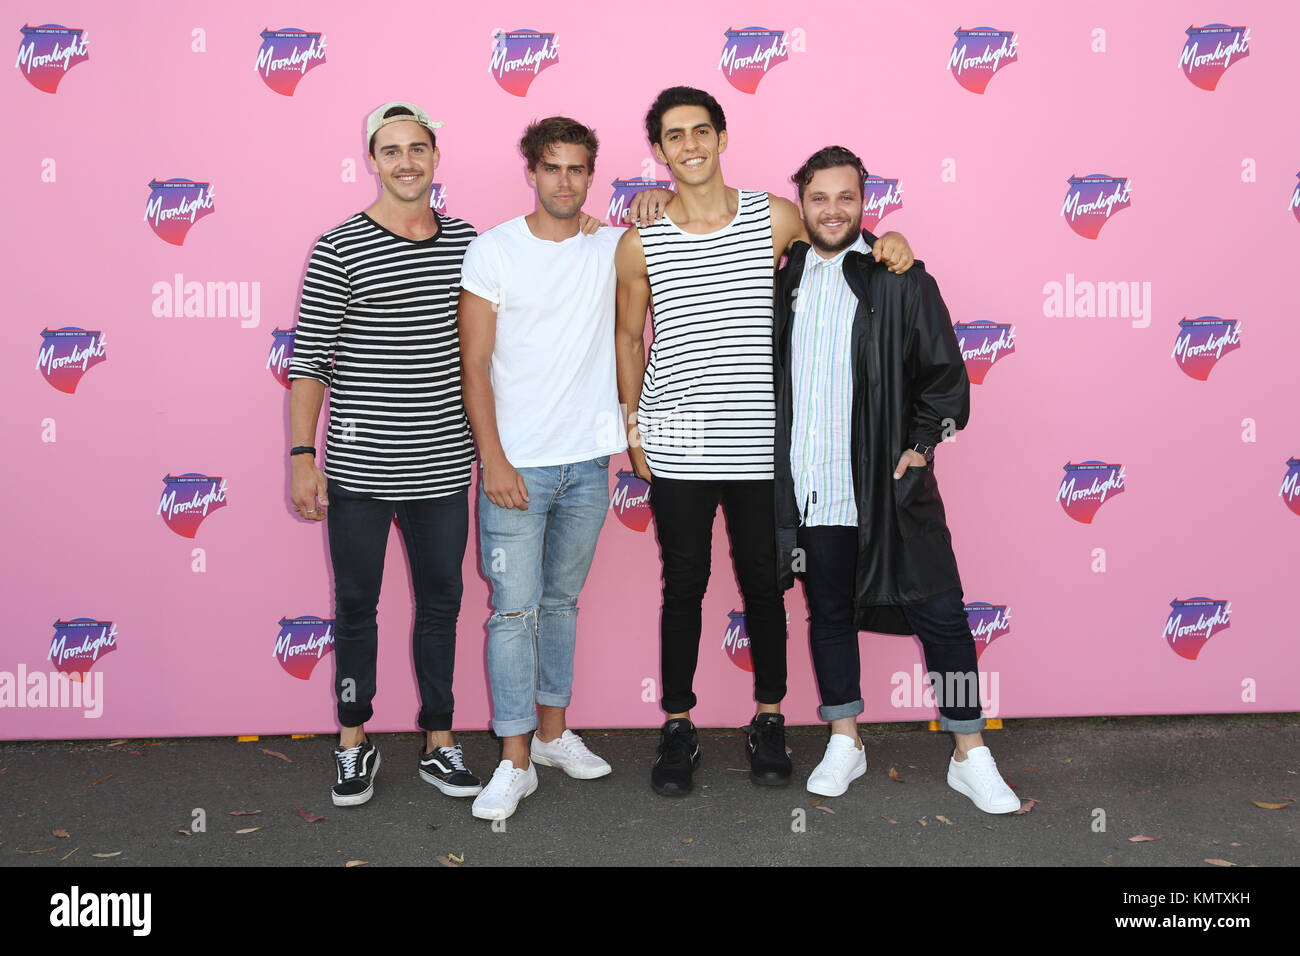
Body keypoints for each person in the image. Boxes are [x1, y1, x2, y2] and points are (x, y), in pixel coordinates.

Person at [614, 87, 914, 797]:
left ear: (721, 137)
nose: (688, 146)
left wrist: (887, 242)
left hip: (761, 444)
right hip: (679, 441)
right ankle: (679, 724)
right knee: (683, 584)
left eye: (700, 132)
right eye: (673, 137)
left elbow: (839, 245)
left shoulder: (773, 216)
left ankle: (769, 718)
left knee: (765, 586)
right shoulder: (639, 239)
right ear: (658, 151)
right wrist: (631, 427)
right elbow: (629, 337)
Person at [773, 145, 1019, 813]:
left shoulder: (900, 278)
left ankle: (971, 751)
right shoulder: (782, 279)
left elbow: (946, 382)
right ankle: (845, 739)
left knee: (942, 618)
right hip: (813, 482)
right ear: (803, 204)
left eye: (846, 197)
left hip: (890, 485)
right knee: (828, 614)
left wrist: (919, 449)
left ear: (865, 203)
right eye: (819, 197)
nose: (832, 209)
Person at [288, 102, 483, 807]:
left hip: (441, 471)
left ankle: (439, 739)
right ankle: (352, 739)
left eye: (418, 149)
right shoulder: (338, 247)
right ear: (372, 160)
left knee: (441, 605)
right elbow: (309, 361)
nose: (406, 161)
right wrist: (302, 455)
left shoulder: (471, 244)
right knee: (356, 607)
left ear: (436, 157)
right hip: (361, 474)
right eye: (391, 150)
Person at [457, 117, 625, 821]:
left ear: (592, 174)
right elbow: (473, 364)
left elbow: (698, 224)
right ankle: (514, 760)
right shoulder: (493, 250)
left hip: (588, 462)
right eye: (553, 167)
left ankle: (554, 736)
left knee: (559, 606)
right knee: (512, 613)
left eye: (578, 169)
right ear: (531, 170)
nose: (565, 181)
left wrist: (648, 206)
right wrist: (492, 457)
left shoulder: (614, 244)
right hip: (515, 469)